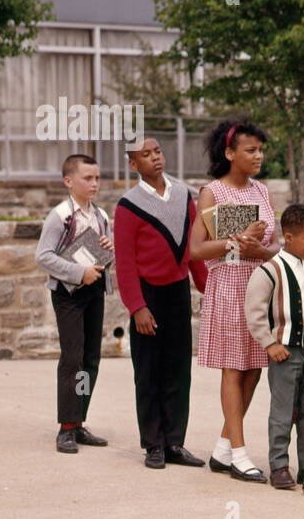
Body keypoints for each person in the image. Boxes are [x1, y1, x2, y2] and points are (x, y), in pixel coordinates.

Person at [188, 120, 280, 483]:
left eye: (260, 149)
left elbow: (276, 245)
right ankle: (241, 454)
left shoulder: (263, 191)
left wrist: (261, 248)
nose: (258, 155)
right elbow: (196, 249)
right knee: (233, 366)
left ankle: (224, 448)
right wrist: (236, 241)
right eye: (250, 150)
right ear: (229, 153)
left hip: (260, 284)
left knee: (256, 366)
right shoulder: (212, 192)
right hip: (228, 284)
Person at [113, 136, 208, 469]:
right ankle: (153, 443)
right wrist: (137, 307)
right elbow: (124, 263)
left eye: (157, 151)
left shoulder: (184, 195)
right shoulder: (128, 205)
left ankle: (175, 443)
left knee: (179, 370)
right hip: (147, 296)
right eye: (145, 154)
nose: (155, 158)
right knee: (149, 372)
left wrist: (206, 287)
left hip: (178, 292)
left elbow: (194, 249)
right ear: (133, 164)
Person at [245, 204, 304, 496]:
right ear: (288, 237)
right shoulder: (270, 270)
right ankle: (279, 465)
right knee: (282, 409)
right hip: (286, 348)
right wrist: (270, 342)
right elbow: (254, 311)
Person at [35, 153, 113, 455]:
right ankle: (66, 428)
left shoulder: (101, 216)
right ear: (69, 181)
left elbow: (103, 254)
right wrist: (80, 272)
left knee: (91, 359)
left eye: (97, 178)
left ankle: (79, 420)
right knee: (73, 358)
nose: (94, 183)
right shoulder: (60, 216)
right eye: (87, 178)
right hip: (68, 295)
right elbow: (43, 256)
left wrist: (108, 250)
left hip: (94, 292)